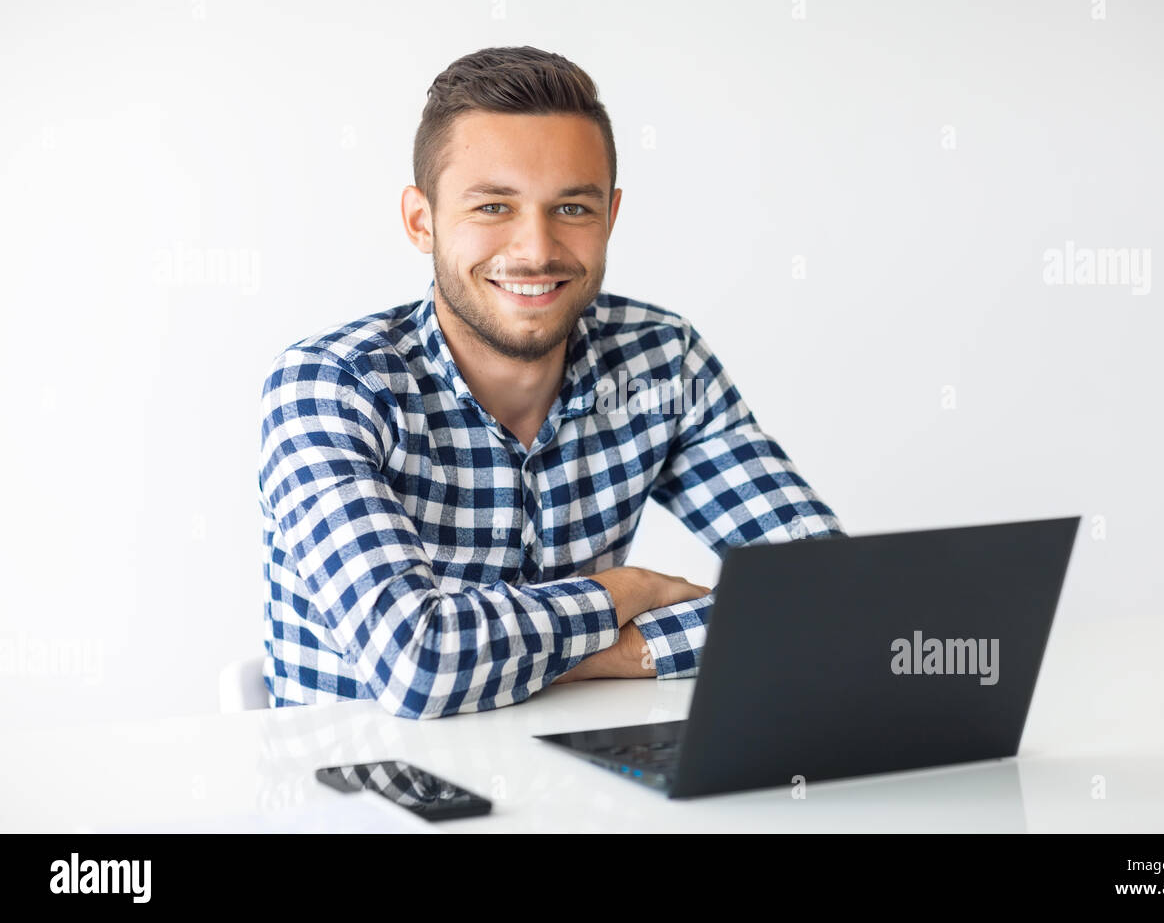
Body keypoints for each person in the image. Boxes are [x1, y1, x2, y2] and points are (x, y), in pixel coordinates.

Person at [258, 45, 842, 718]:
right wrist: (620, 592)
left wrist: (607, 655)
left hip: (578, 787)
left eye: (571, 209)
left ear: (611, 217)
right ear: (422, 221)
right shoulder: (331, 388)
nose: (535, 251)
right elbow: (416, 668)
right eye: (494, 207)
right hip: (362, 799)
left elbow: (827, 600)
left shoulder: (661, 362)